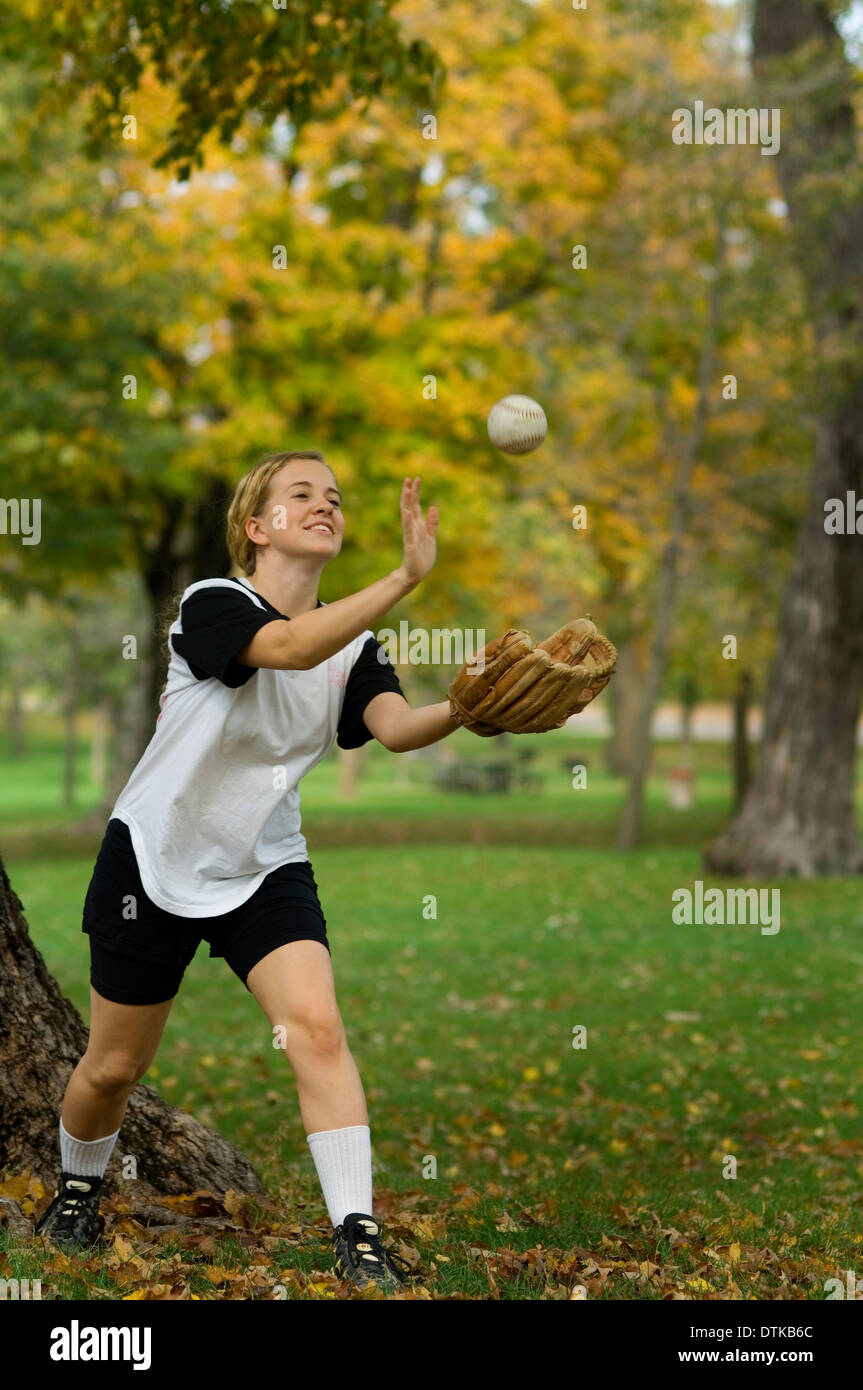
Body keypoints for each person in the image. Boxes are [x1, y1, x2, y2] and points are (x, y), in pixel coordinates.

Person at [36, 451, 460, 1292]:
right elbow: (292, 648)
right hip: (152, 858)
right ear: (255, 529)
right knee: (113, 1068)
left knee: (318, 1028)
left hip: (263, 864)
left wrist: (477, 708)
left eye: (335, 497)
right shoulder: (213, 604)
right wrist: (405, 577)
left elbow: (400, 728)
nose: (324, 505)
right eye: (300, 494)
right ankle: (78, 1190)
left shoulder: (355, 644)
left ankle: (356, 1234)